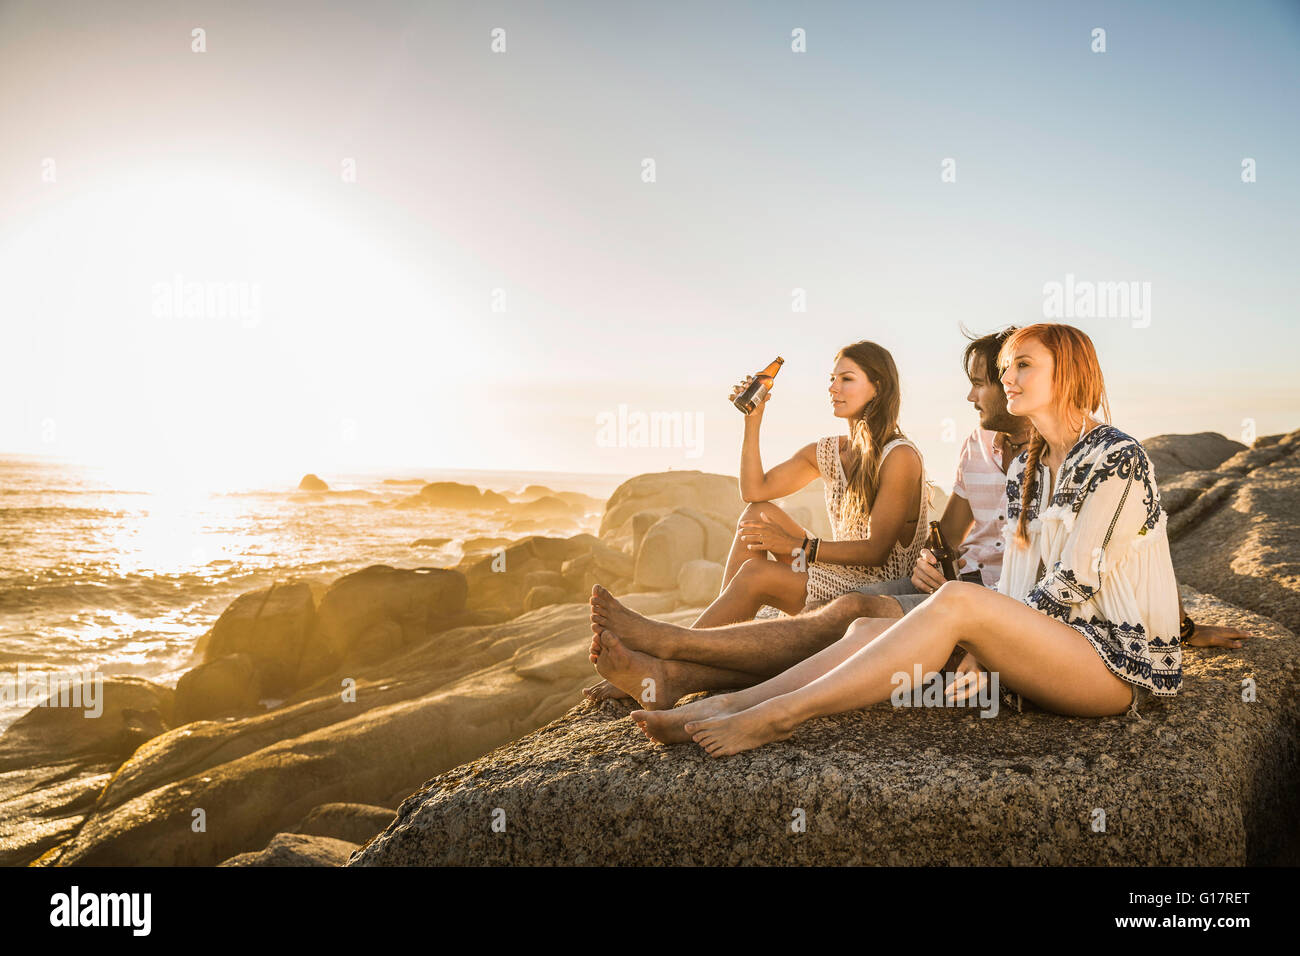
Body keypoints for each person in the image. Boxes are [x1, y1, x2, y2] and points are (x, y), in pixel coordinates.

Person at [599, 323, 1215, 754]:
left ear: (1070, 370)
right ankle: (725, 704)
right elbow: (1019, 578)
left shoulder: (1117, 457)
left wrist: (993, 630)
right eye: (1005, 368)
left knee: (955, 603)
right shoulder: (1033, 468)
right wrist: (997, 635)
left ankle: (773, 717)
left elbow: (1080, 577)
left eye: (1021, 365)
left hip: (1111, 666)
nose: (1005, 378)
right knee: (868, 629)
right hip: (1044, 647)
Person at [584, 338, 931, 702]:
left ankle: (664, 655)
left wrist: (798, 547)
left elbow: (877, 552)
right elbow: (755, 491)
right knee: (757, 514)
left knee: (755, 575)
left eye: (846, 379)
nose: (832, 388)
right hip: (843, 575)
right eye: (832, 378)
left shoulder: (900, 456)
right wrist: (754, 420)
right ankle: (710, 644)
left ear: (878, 388)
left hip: (882, 589)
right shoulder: (830, 451)